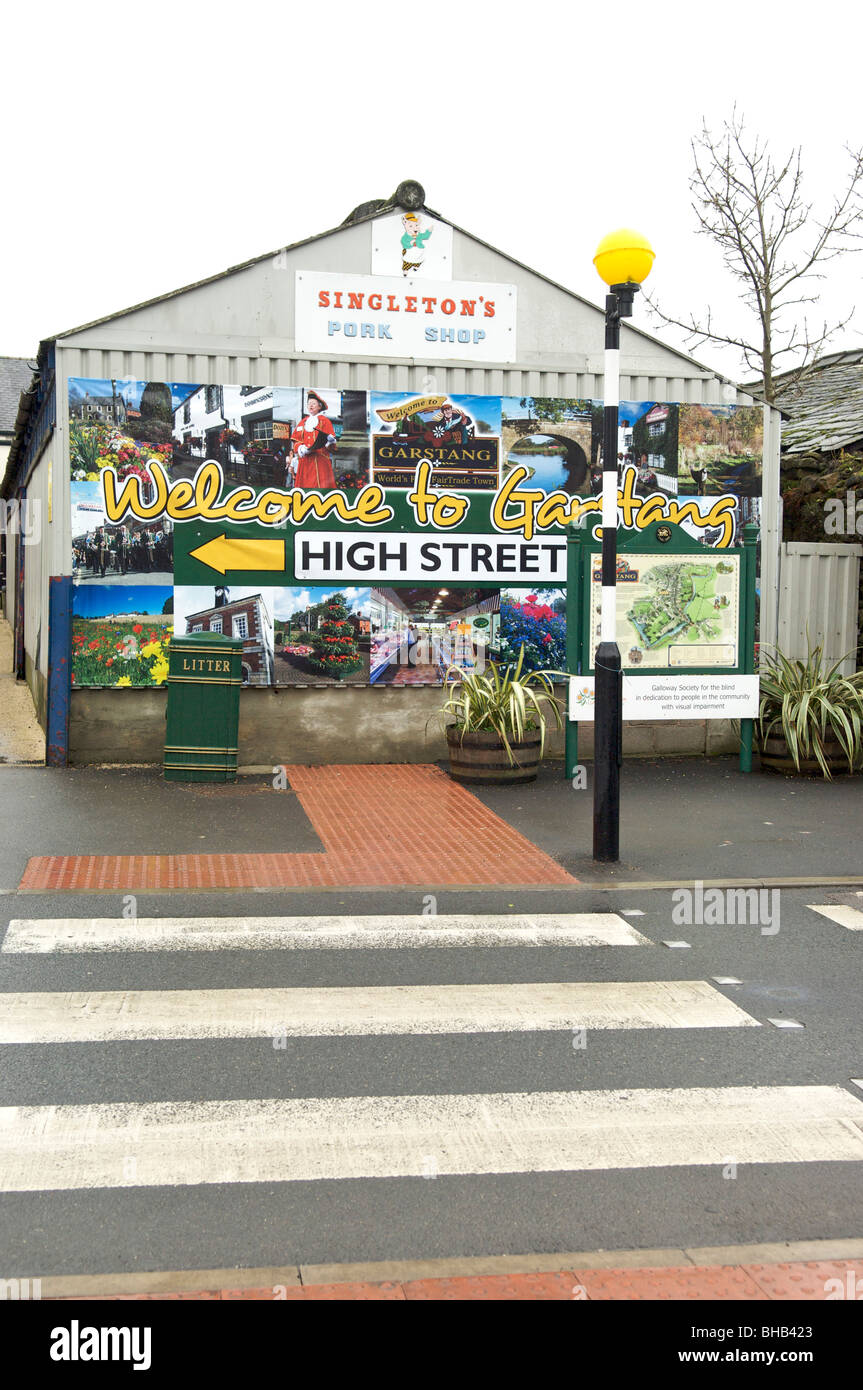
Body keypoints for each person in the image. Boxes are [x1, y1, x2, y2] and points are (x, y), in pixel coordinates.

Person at [289, 391, 337, 489]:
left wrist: (330, 441)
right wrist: (301, 448)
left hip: (320, 460)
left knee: (321, 488)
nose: (310, 406)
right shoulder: (303, 422)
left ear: (319, 407)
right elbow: (296, 441)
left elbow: (332, 446)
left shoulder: (325, 421)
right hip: (305, 461)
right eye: (309, 404)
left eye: (313, 404)